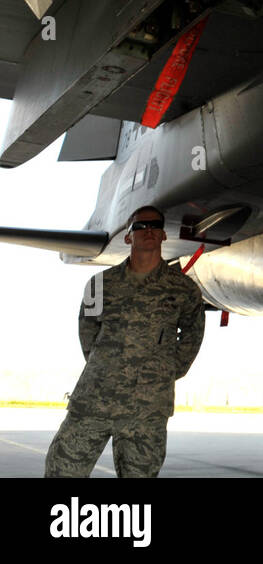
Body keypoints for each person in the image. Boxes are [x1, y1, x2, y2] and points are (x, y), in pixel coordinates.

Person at [44, 205, 206, 478]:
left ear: (163, 234)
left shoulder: (184, 290)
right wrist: (108, 366)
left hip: (147, 410)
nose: (148, 231)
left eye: (155, 225)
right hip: (95, 400)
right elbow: (88, 335)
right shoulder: (98, 284)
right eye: (140, 227)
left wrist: (163, 371)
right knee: (61, 469)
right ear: (128, 237)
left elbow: (192, 336)